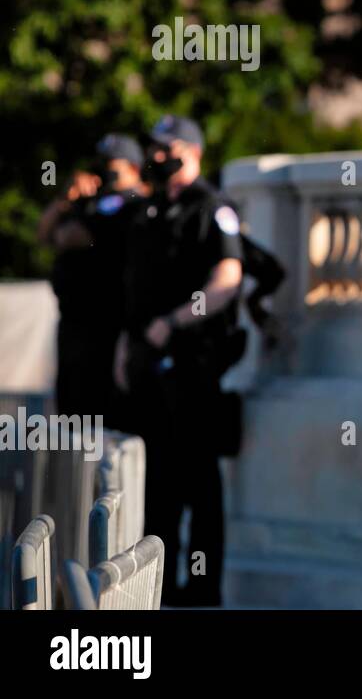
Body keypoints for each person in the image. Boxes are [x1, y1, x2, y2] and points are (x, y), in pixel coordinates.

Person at [120, 115, 245, 606]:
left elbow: (226, 281)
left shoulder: (213, 208)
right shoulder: (150, 211)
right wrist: (127, 346)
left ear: (191, 151)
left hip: (195, 361)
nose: (154, 157)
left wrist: (175, 321)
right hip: (148, 360)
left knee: (199, 481)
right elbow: (135, 290)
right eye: (151, 148)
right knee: (157, 483)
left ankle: (202, 588)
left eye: (164, 148)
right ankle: (158, 586)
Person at [40, 133, 149, 429]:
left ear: (134, 167)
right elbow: (45, 233)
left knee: (103, 417)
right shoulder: (92, 202)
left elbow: (73, 237)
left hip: (107, 323)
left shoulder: (133, 203)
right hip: (75, 323)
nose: (104, 173)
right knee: (72, 415)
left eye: (112, 166)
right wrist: (65, 198)